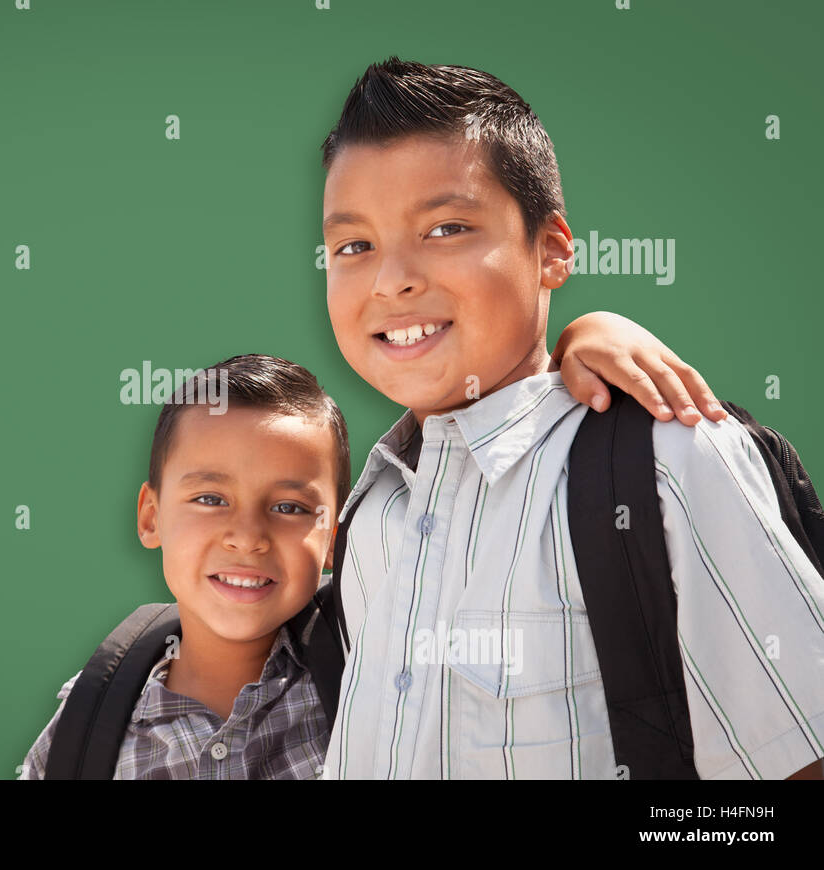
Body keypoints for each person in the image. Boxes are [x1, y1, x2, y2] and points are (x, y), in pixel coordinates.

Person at [318, 56, 824, 779]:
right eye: (353, 245)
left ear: (551, 250)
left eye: (447, 227)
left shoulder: (667, 461)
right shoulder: (371, 519)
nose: (392, 277)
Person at [19, 328, 727, 778]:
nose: (248, 535)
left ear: (335, 538)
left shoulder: (375, 676)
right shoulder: (92, 718)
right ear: (150, 516)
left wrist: (584, 334)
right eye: (209, 499)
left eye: (291, 507)